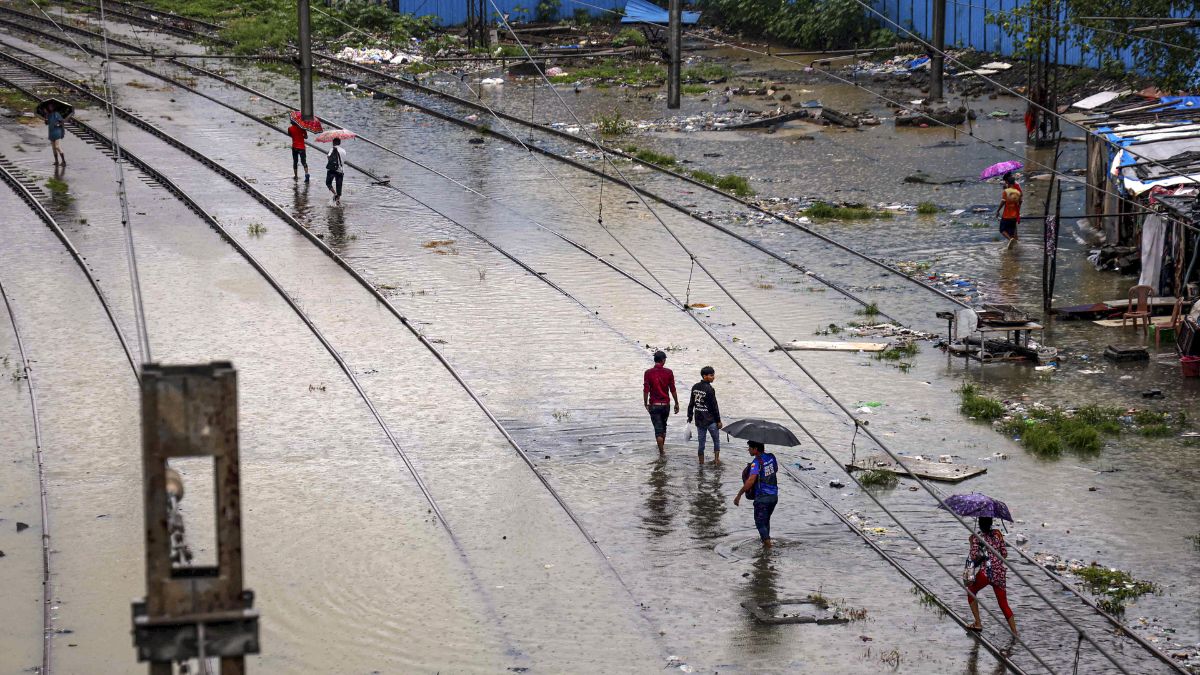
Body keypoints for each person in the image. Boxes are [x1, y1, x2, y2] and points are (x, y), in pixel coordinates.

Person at [965, 517, 1018, 635]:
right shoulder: (998, 534)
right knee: (1003, 604)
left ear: (979, 524)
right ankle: (1015, 632)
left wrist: (971, 542)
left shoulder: (977, 537)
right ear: (991, 523)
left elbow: (973, 556)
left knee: (971, 592)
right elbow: (1004, 554)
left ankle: (978, 623)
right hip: (999, 573)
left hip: (986, 572)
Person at [733, 441, 778, 548]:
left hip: (762, 498)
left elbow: (750, 481)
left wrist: (739, 495)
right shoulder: (771, 457)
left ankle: (768, 548)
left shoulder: (756, 462)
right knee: (766, 520)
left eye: (750, 448)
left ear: (755, 449)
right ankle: (766, 542)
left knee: (759, 523)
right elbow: (775, 470)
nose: (748, 449)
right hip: (774, 496)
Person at [642, 350, 678, 453]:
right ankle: (662, 449)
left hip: (654, 405)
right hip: (665, 405)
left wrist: (645, 403)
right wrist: (676, 403)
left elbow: (646, 390)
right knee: (664, 427)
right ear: (663, 360)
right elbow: (673, 389)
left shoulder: (648, 373)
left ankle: (661, 453)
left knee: (658, 430)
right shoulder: (669, 372)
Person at [686, 365, 723, 464]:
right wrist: (718, 421)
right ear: (704, 376)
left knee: (701, 443)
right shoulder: (710, 389)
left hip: (699, 420)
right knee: (716, 440)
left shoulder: (695, 387)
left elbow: (691, 404)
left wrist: (689, 417)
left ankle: (701, 463)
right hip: (710, 420)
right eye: (711, 375)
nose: (713, 377)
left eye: (713, 375)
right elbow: (714, 406)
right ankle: (716, 460)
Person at [995, 172, 1022, 249]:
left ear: (1008, 182)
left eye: (1006, 182)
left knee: (1002, 229)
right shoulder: (1018, 192)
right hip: (1014, 214)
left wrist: (998, 210)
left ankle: (1011, 239)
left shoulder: (1006, 191)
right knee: (1013, 230)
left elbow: (1003, 201)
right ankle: (1015, 243)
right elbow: (1020, 201)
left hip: (1007, 214)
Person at [46, 102, 67, 166]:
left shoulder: (56, 114)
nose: (50, 108)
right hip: (51, 132)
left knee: (57, 146)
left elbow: (62, 122)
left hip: (57, 131)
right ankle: (56, 161)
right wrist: (46, 119)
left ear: (53, 107)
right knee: (53, 148)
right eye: (49, 107)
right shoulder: (48, 115)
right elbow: (47, 123)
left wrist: (58, 124)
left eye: (51, 106)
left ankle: (63, 161)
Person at [325, 138, 346, 203]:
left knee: (328, 183)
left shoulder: (332, 149)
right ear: (339, 143)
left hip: (332, 169)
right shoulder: (343, 151)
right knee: (339, 185)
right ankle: (338, 200)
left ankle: (334, 193)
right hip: (340, 170)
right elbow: (343, 161)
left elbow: (328, 157)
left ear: (333, 142)